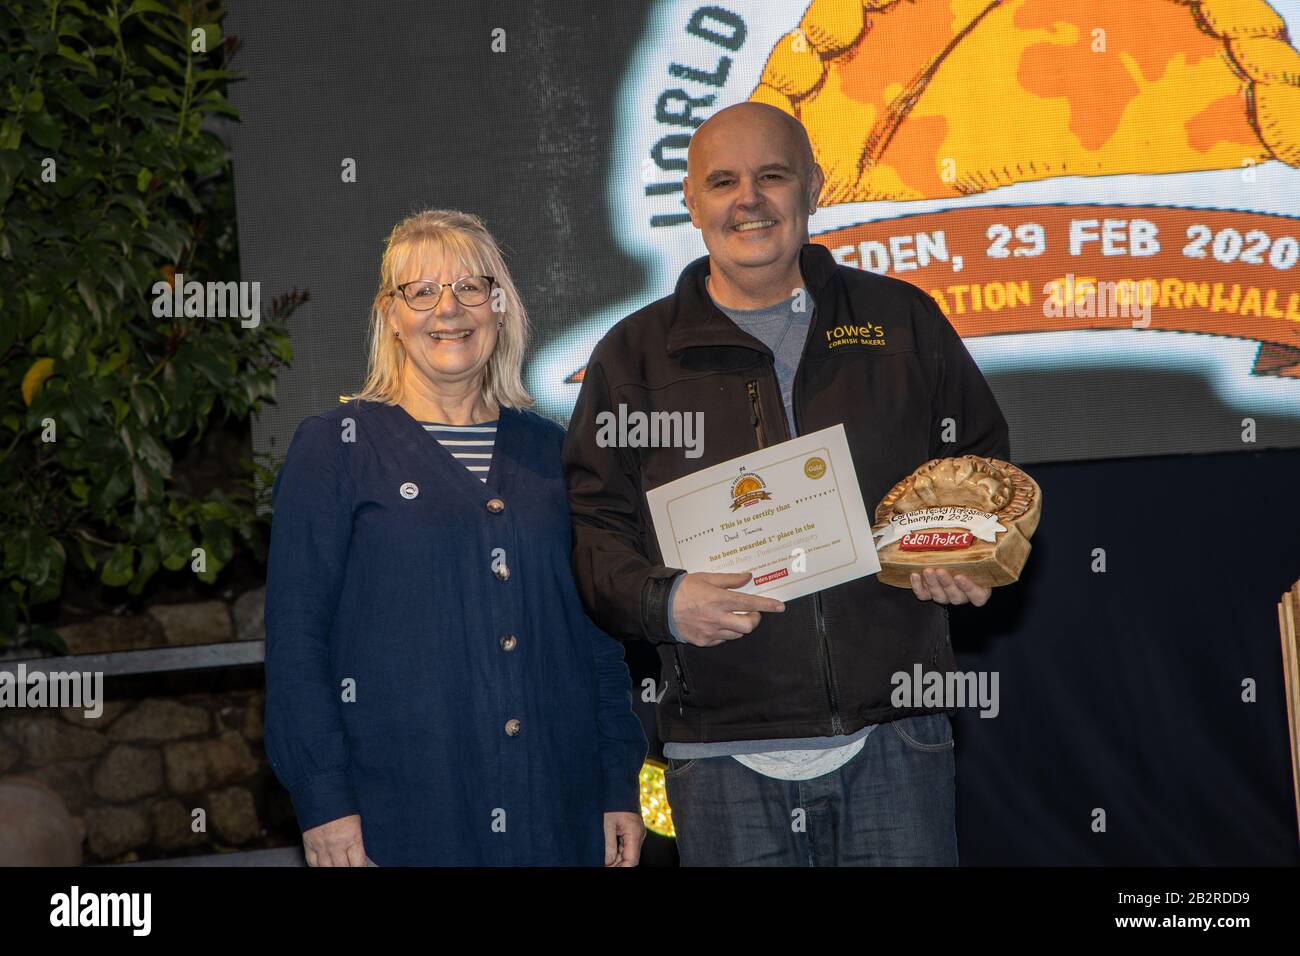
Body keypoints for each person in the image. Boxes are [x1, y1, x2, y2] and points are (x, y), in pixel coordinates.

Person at [562, 103, 1010, 866]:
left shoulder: (900, 321)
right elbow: (594, 533)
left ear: (813, 186)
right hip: (722, 757)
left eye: (772, 176)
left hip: (897, 736)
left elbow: (980, 465)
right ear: (691, 201)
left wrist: (967, 554)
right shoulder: (632, 359)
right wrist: (664, 601)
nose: (749, 200)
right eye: (723, 181)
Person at [264, 209, 646, 866]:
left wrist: (618, 782)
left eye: (472, 287)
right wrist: (323, 800)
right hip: (403, 819)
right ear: (391, 313)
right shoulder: (335, 449)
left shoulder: (555, 452)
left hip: (558, 808)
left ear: (500, 308)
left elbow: (597, 642)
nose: (450, 308)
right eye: (422, 291)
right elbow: (297, 644)